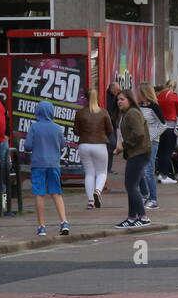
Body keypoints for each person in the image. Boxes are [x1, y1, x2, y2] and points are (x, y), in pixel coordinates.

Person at [23, 100, 69, 236]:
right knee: (56, 193)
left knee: (39, 194)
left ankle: (42, 226)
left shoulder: (34, 127)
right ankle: (64, 222)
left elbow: (28, 146)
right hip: (54, 164)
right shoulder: (57, 127)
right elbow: (63, 144)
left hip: (38, 164)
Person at [113, 89, 151, 228]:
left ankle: (143, 217)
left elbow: (139, 134)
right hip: (135, 153)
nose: (119, 102)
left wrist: (123, 146)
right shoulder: (127, 113)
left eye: (122, 99)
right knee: (132, 186)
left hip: (139, 153)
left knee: (131, 186)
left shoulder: (133, 113)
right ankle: (131, 218)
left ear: (130, 100)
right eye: (118, 99)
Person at [75, 87, 113, 209]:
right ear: (97, 98)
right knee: (102, 172)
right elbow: (110, 130)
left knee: (89, 173)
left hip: (84, 145)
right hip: (100, 145)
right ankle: (97, 191)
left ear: (85, 98)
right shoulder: (103, 112)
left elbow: (76, 131)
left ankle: (90, 201)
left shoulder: (80, 113)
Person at [137, 83, 167, 209]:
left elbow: (163, 125)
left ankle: (153, 200)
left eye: (140, 92)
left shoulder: (154, 107)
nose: (138, 93)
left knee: (148, 170)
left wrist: (150, 138)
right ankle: (145, 195)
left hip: (152, 141)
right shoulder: (138, 106)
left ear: (145, 93)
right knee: (138, 169)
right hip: (140, 141)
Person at [156, 81, 178, 181]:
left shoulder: (158, 96)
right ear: (173, 87)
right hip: (170, 127)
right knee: (168, 152)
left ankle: (160, 173)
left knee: (161, 152)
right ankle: (164, 175)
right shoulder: (174, 96)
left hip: (160, 128)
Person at [105, 80, 122, 173]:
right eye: (117, 90)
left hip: (113, 123)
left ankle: (108, 168)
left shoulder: (116, 97)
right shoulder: (106, 97)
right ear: (112, 89)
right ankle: (107, 168)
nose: (118, 91)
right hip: (109, 124)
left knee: (112, 145)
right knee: (112, 144)